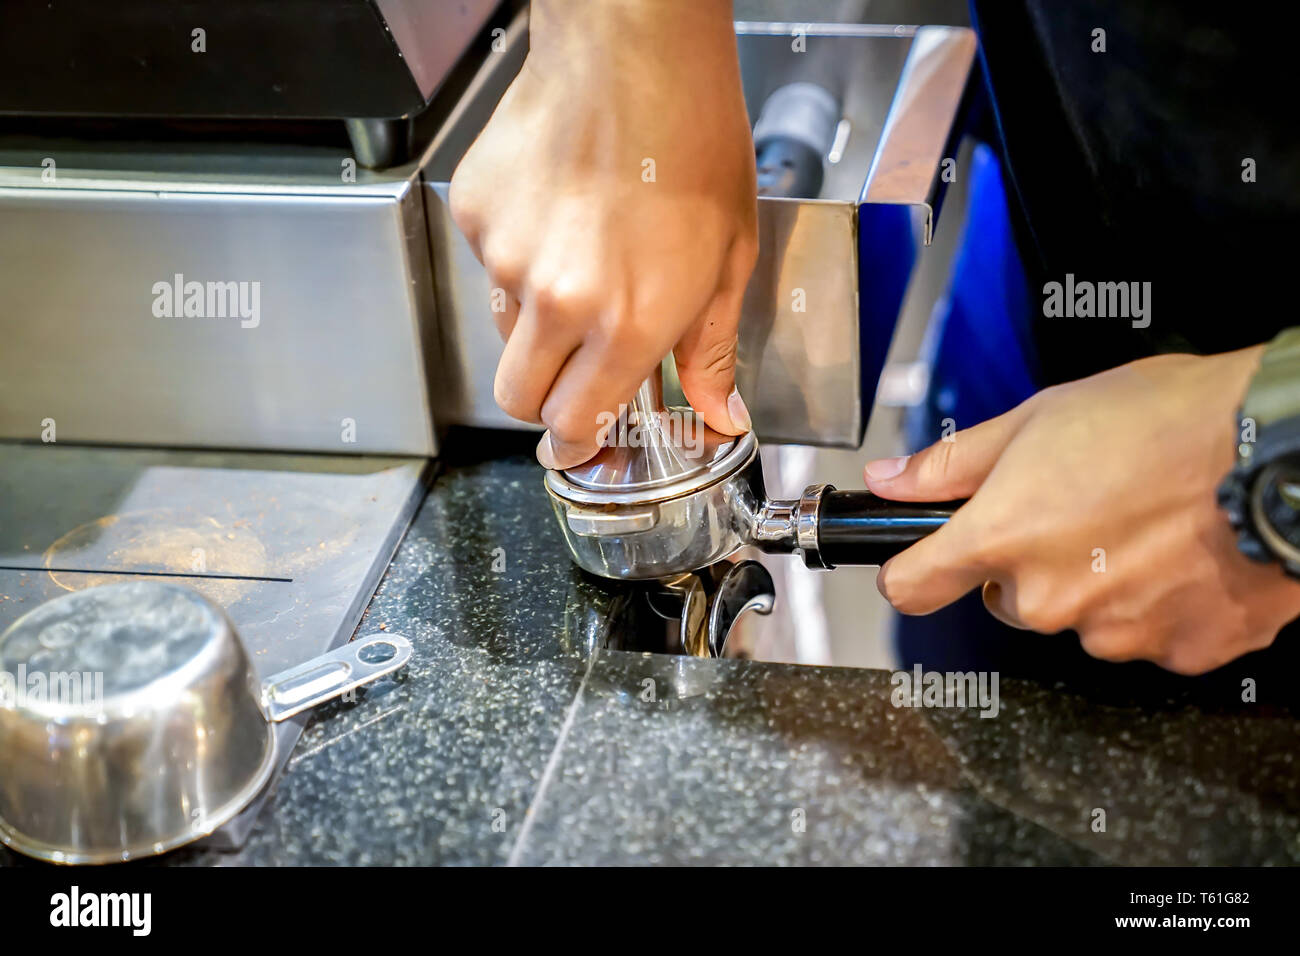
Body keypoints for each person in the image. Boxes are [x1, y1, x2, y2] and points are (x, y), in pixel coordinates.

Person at [449, 0, 1300, 684]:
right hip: (1052, 250)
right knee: (964, 690)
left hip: (1236, 502)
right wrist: (624, 36)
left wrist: (1267, 455)